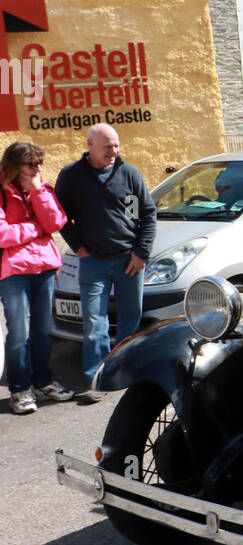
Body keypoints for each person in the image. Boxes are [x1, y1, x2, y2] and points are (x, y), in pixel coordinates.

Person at [55, 124, 156, 401]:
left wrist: (141, 252)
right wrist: (80, 249)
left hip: (129, 260)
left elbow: (143, 215)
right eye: (107, 146)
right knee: (94, 322)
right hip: (94, 262)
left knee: (129, 321)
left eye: (116, 145)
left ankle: (125, 371)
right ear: (90, 144)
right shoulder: (72, 176)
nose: (114, 151)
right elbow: (61, 216)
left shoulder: (128, 174)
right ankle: (96, 378)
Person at [0, 141, 74, 413]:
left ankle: (42, 383)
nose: (37, 169)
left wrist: (38, 192)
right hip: (14, 272)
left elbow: (55, 223)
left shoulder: (42, 189)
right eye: (31, 164)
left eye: (40, 163)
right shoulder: (2, 191)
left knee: (43, 331)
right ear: (14, 165)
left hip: (44, 267)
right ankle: (19, 390)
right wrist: (33, 227)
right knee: (18, 333)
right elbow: (1, 235)